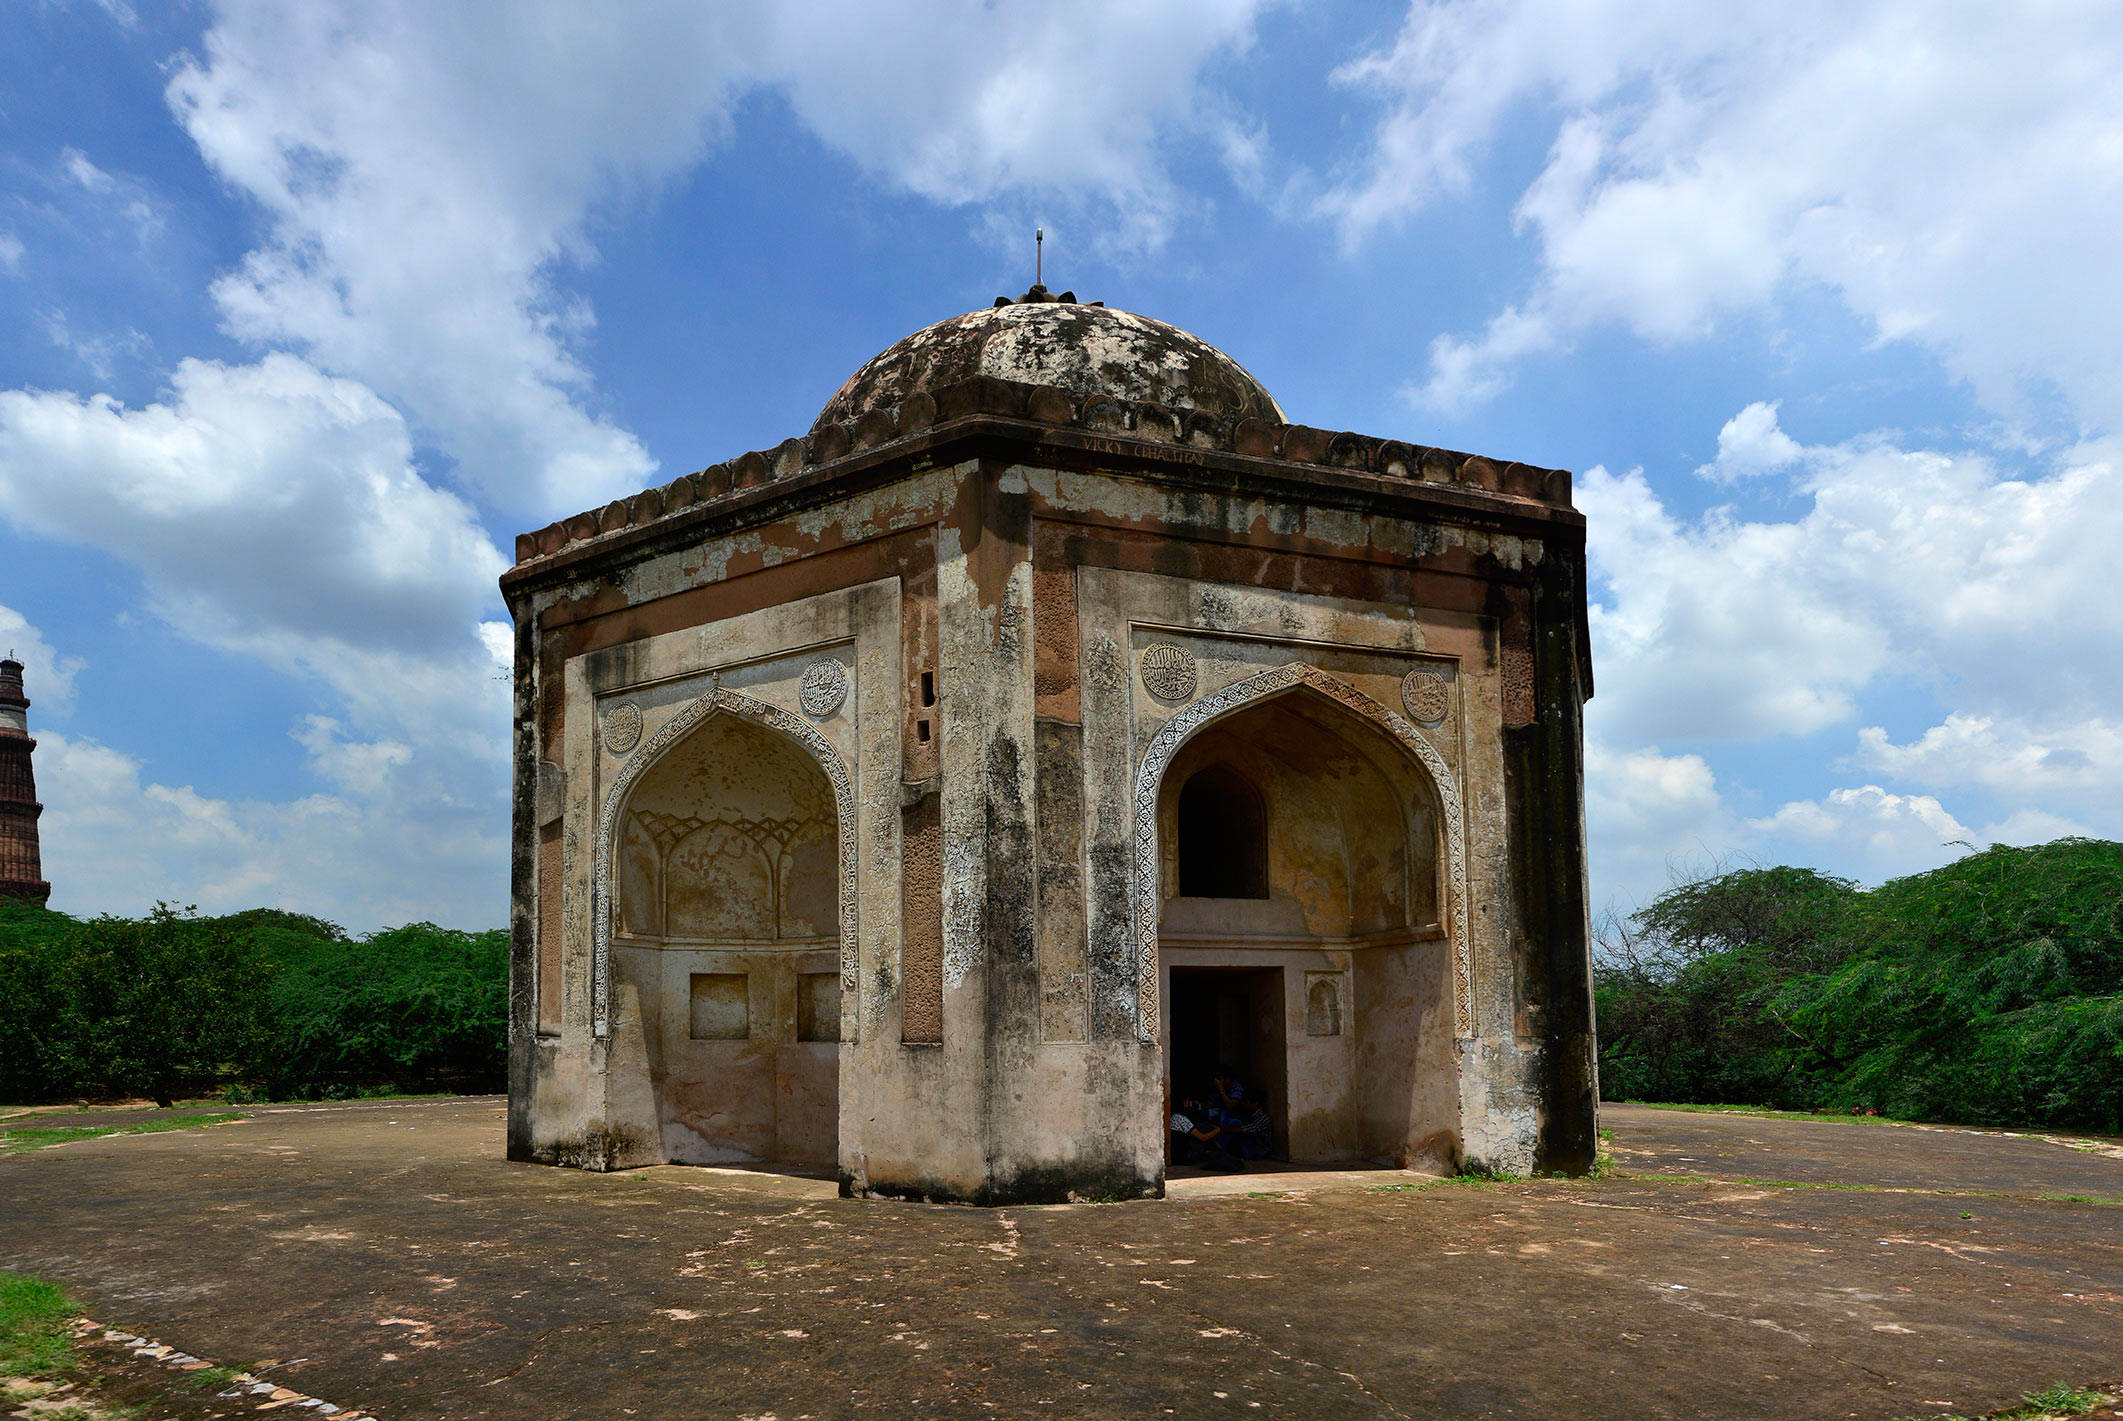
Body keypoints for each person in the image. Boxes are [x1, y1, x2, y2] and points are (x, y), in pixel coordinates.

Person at [1170, 1097, 1244, 1172]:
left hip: (1176, 1157)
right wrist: (1217, 1130)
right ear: (1184, 1103)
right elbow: (1203, 1137)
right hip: (1184, 1157)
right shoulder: (1181, 1119)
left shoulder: (1172, 1117)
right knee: (1207, 1129)